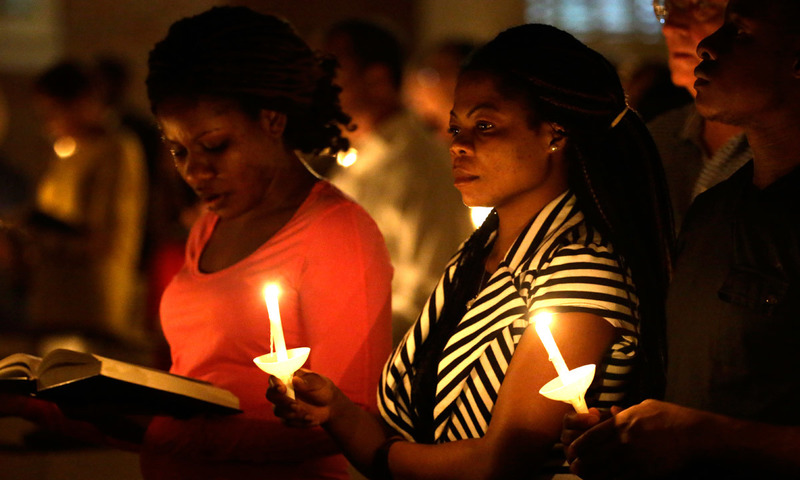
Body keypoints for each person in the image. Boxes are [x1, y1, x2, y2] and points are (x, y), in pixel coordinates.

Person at [1, 7, 393, 480]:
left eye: (215, 146)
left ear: (272, 119)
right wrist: (35, 404)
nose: (195, 172)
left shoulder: (337, 233)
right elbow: (190, 394)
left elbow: (349, 421)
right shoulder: (210, 226)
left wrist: (150, 425)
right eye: (178, 150)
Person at [268, 23, 673, 479]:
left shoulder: (580, 270)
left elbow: (500, 460)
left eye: (485, 125)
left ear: (554, 134)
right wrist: (337, 410)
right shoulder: (478, 255)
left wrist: (382, 461)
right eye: (455, 126)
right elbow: (419, 421)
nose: (458, 145)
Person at [563, 0, 800, 478]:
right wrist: (632, 429)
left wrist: (703, 436)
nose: (706, 47)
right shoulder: (713, 210)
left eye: (741, 33)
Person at [321, 19, 475, 345]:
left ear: (377, 79)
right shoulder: (353, 160)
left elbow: (431, 291)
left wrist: (347, 343)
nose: (316, 85)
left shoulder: (421, 166)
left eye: (332, 71)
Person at [25, 59, 148, 342]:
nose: (49, 123)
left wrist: (45, 232)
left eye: (53, 111)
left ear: (83, 102)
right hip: (53, 303)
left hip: (92, 304)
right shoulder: (69, 153)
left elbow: (103, 235)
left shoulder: (116, 150)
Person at [647, 0, 751, 230]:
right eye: (667, 8)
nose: (670, 27)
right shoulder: (656, 139)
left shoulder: (782, 150)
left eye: (703, 7)